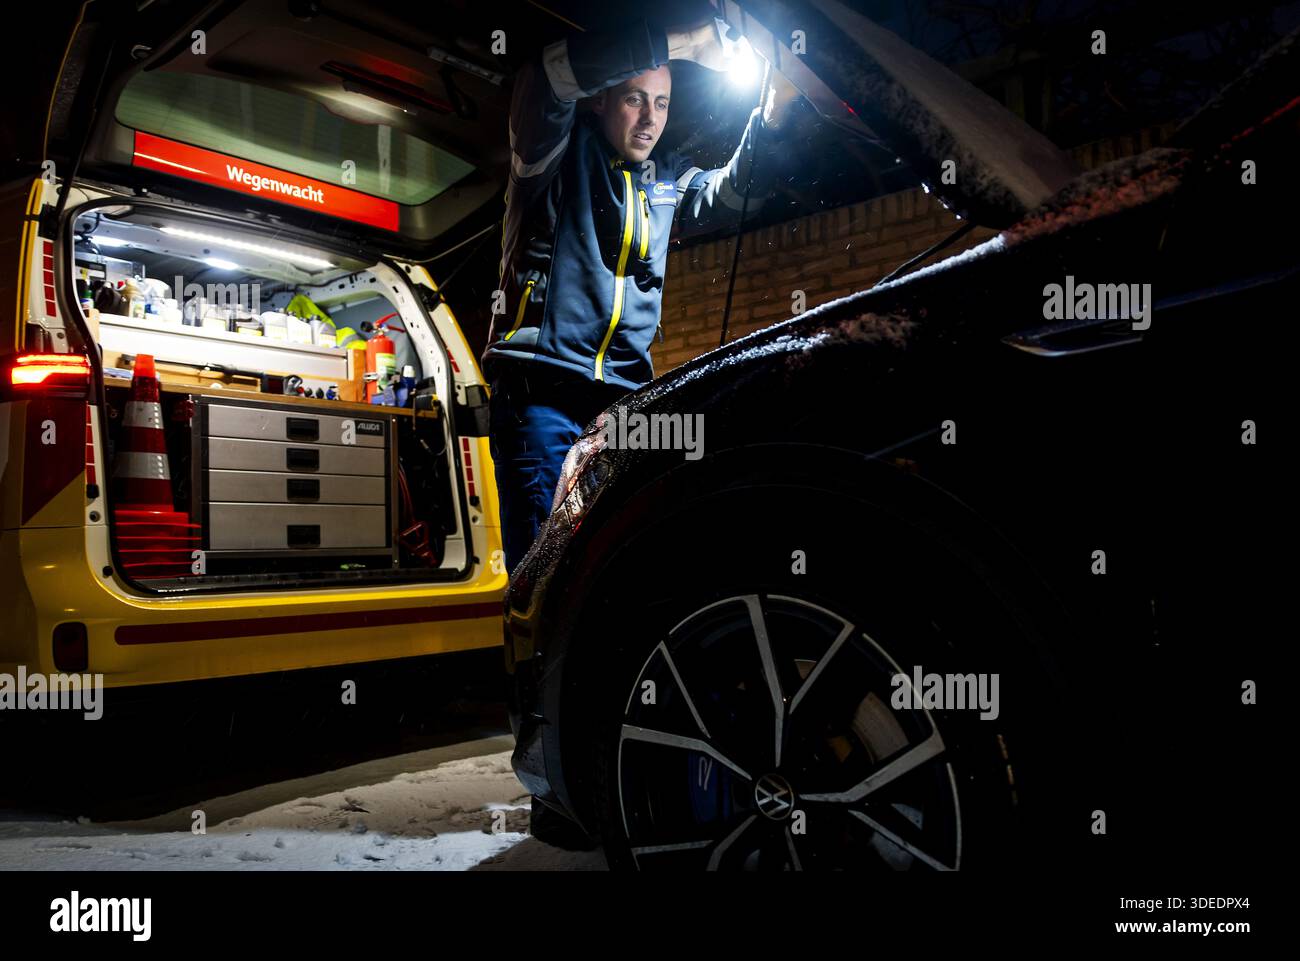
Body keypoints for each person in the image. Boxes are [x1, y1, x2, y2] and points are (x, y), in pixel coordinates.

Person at [483, 15, 803, 578]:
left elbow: (731, 196)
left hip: (624, 405)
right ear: (601, 101)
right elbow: (547, 76)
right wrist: (688, 43)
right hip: (543, 392)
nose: (650, 118)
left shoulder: (664, 180)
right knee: (546, 571)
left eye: (662, 102)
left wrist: (771, 114)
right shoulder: (549, 156)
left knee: (624, 560)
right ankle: (536, 669)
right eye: (635, 99)